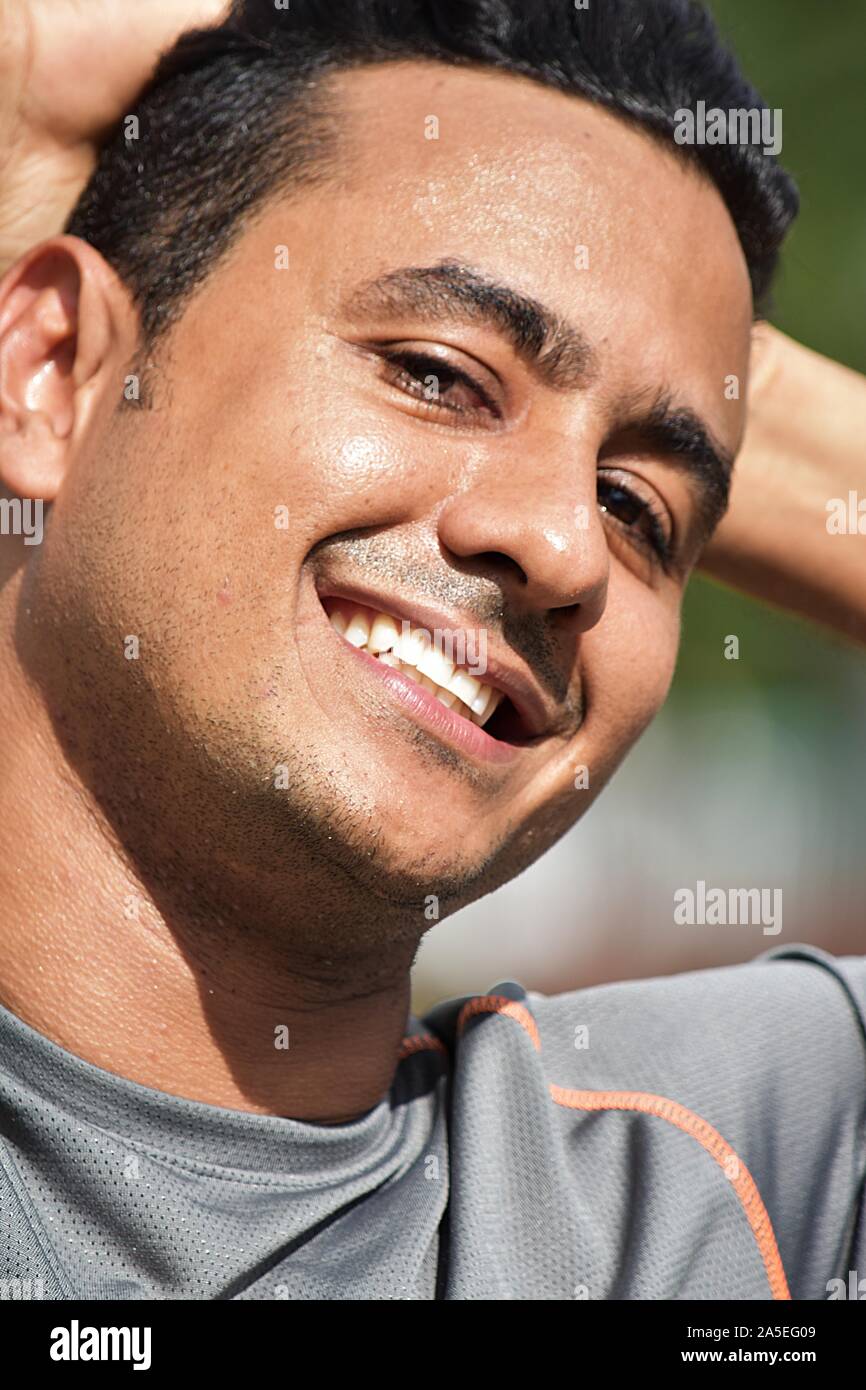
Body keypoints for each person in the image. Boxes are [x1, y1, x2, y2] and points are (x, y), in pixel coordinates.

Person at [0, 0, 863, 1302]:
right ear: (57, 369)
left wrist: (672, 300)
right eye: (440, 374)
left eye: (640, 509)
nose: (566, 551)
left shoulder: (743, 1190)